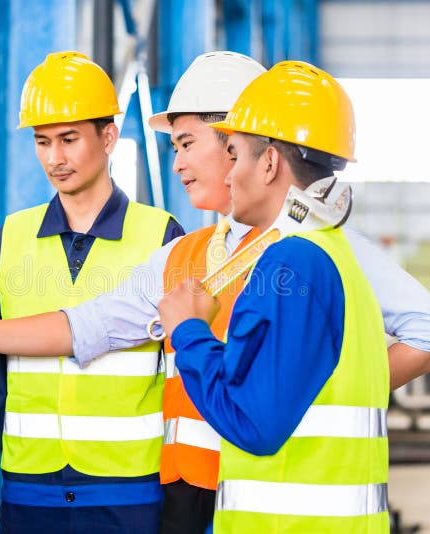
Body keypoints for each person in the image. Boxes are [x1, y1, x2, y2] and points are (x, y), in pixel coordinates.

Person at [0, 53, 430, 533]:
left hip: (267, 489)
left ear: (248, 142)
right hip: (191, 494)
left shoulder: (320, 248)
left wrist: (310, 392)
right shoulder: (188, 254)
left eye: (188, 143)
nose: (177, 162)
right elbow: (84, 326)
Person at [0, 51, 182, 534]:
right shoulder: (11, 238)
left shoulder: (161, 237)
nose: (55, 158)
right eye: (43, 141)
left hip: (131, 491)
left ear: (108, 137)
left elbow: (184, 376)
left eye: (69, 139)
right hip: (29, 492)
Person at [157, 60, 391, 533]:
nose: (228, 174)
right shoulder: (332, 252)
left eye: (236, 154)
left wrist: (189, 330)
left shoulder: (291, 263)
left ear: (268, 163)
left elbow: (254, 424)